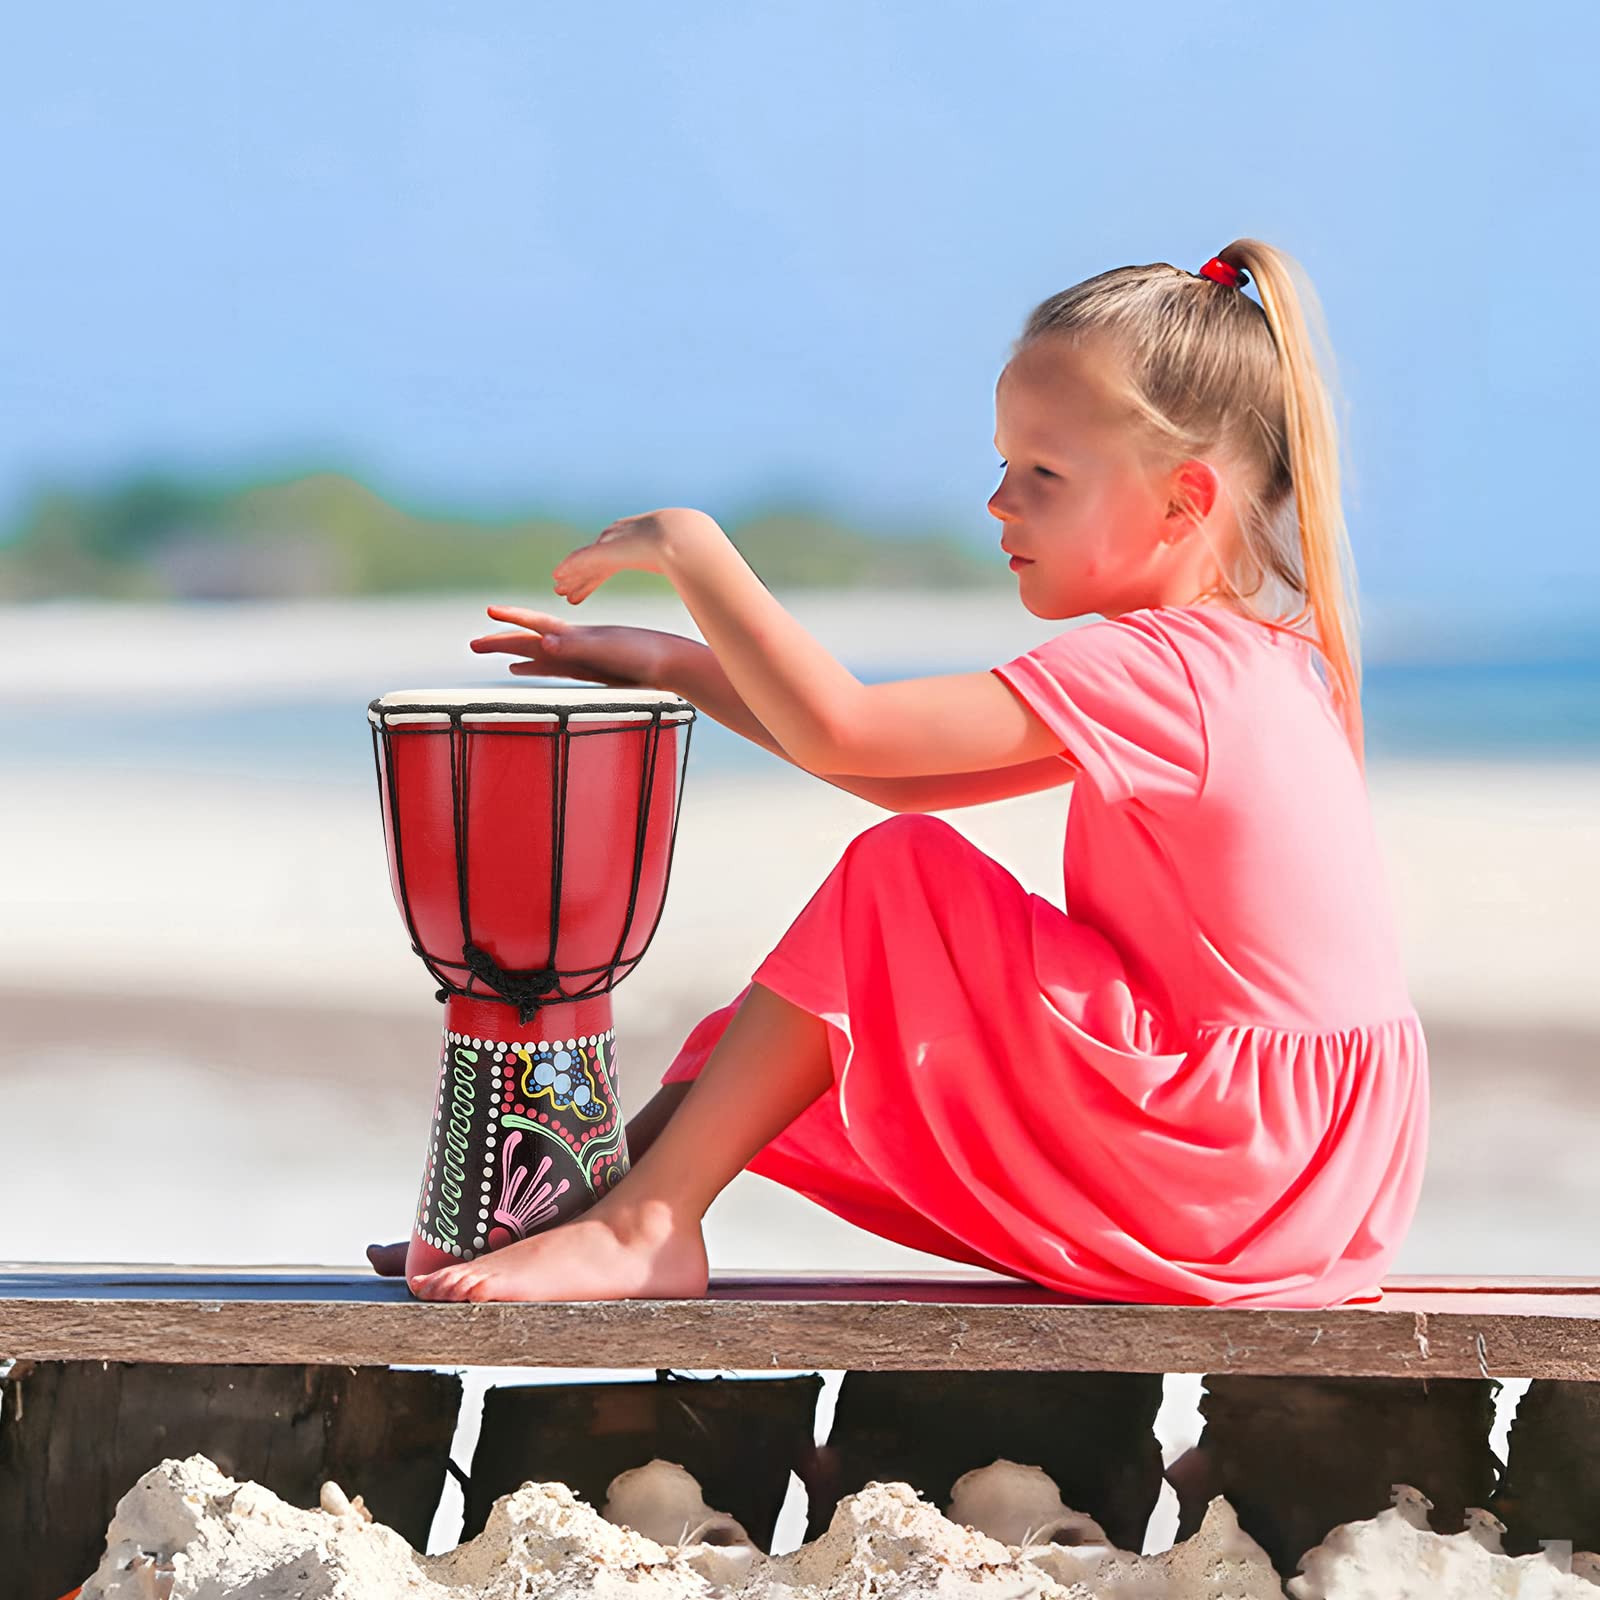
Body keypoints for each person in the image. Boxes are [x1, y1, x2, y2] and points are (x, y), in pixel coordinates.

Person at [368, 238, 1428, 1309]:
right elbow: (898, 772)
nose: (997, 503)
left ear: (1182, 501)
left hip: (1223, 1161)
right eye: (1003, 464)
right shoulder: (1261, 659)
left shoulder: (1154, 667)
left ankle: (648, 1221)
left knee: (896, 881)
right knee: (857, 932)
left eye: (1042, 475)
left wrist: (693, 554)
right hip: (1306, 1182)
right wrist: (670, 665)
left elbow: (852, 735)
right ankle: (590, 1206)